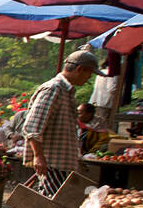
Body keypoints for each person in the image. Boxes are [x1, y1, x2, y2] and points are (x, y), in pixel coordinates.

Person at [23, 48, 99, 196]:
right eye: (89, 74)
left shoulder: (67, 91)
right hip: (52, 164)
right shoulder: (53, 89)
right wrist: (38, 156)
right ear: (79, 69)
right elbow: (32, 126)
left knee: (58, 207)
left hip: (63, 163)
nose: (88, 78)